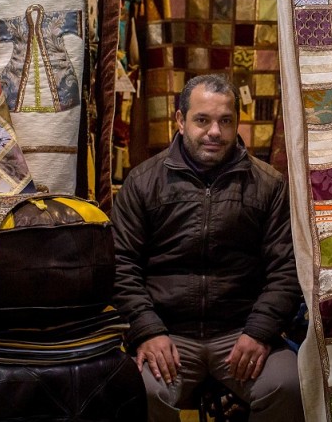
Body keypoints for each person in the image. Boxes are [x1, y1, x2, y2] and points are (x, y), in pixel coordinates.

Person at [111, 74, 304, 422]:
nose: (214, 131)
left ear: (236, 124)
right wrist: (147, 330)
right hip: (168, 333)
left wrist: (259, 332)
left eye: (225, 121)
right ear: (180, 121)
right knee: (138, 390)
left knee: (289, 385)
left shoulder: (268, 185)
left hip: (241, 331)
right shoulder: (143, 183)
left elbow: (287, 268)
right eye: (202, 119)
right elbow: (121, 264)